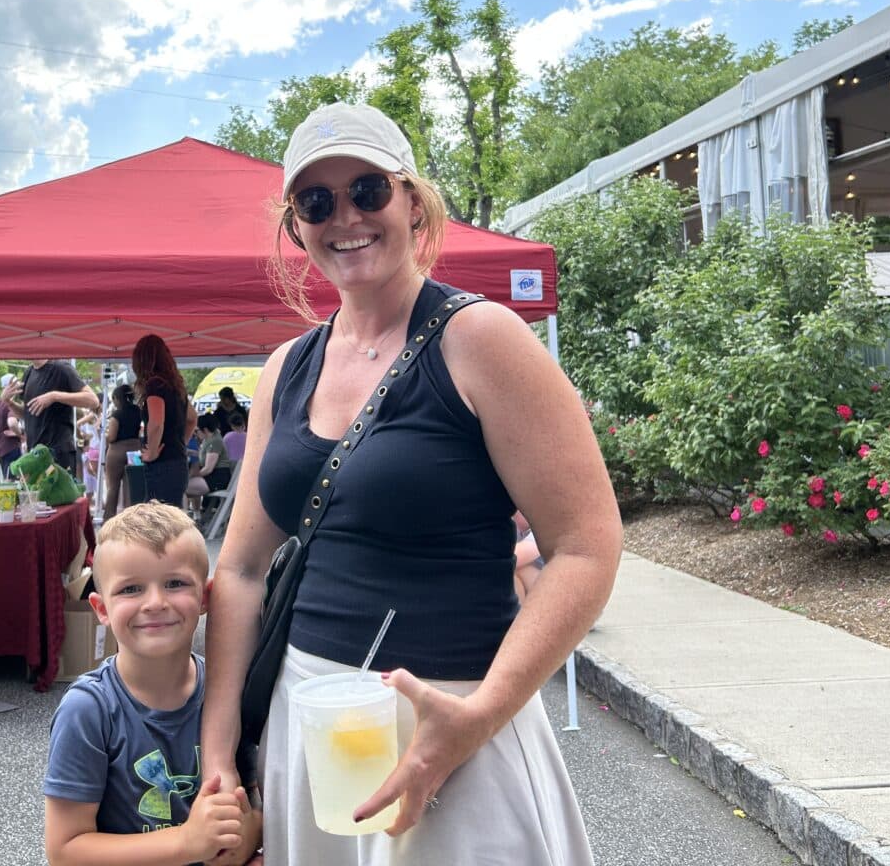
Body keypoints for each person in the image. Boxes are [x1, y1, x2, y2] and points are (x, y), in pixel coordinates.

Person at [199, 104, 621, 864]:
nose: (345, 218)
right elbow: (240, 568)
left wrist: (480, 715)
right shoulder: (287, 368)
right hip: (312, 723)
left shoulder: (481, 338)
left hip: (453, 718)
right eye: (316, 202)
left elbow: (587, 547)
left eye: (367, 190)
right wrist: (221, 745)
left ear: (414, 202)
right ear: (296, 226)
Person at [43, 501, 261, 866]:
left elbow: (258, 802)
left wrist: (248, 835)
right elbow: (65, 851)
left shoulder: (229, 693)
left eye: (175, 583)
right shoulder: (88, 710)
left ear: (206, 597)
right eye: (131, 589)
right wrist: (185, 842)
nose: (155, 602)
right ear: (101, 609)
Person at [132, 336, 196, 510]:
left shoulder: (155, 385)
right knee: (171, 514)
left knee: (156, 516)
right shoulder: (176, 386)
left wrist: (152, 451)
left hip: (162, 464)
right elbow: (192, 419)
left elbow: (156, 422)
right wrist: (180, 442)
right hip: (178, 461)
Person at [20, 359, 98, 474]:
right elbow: (28, 413)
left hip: (58, 452)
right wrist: (8, 402)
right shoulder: (28, 373)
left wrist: (54, 396)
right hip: (35, 453)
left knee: (60, 485)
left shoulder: (61, 368)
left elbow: (93, 400)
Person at [101, 383, 142, 524]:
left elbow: (112, 436)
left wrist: (105, 436)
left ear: (117, 398)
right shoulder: (138, 411)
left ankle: (109, 519)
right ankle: (132, 519)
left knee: (113, 486)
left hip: (117, 451)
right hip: (135, 450)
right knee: (132, 485)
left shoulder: (117, 414)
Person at [185, 413, 231, 519]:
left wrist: (192, 476)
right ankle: (194, 516)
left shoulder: (214, 442)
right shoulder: (209, 440)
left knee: (182, 488)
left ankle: (185, 518)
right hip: (213, 477)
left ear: (205, 429)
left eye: (197, 430)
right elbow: (205, 456)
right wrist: (191, 452)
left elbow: (208, 469)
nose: (195, 433)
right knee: (184, 485)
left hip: (217, 479)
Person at [0, 373, 25, 478]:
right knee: (14, 481)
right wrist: (21, 434)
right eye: (16, 385)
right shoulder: (10, 405)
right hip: (11, 447)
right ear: (9, 386)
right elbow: (12, 422)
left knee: (6, 478)